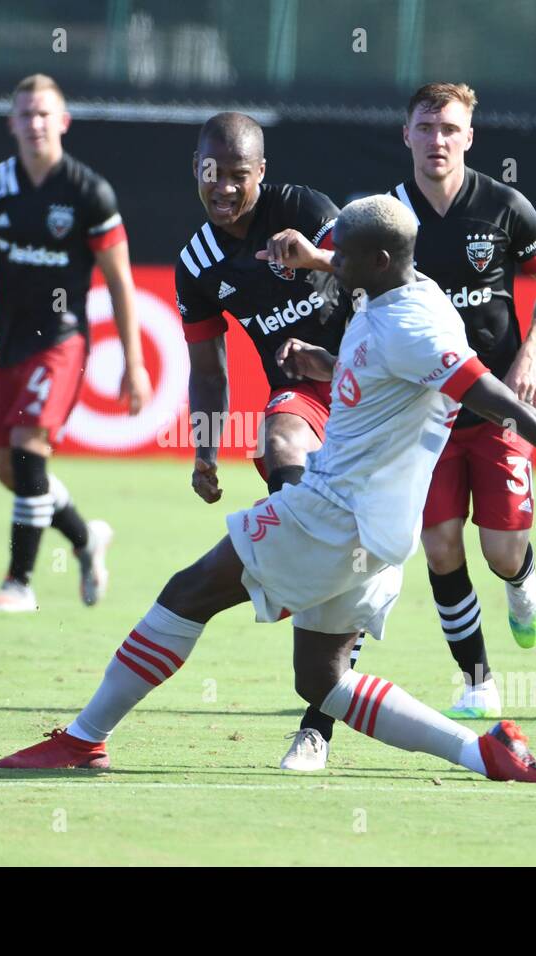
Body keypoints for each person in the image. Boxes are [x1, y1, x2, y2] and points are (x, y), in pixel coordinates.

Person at [0, 195, 536, 784]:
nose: (327, 261)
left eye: (337, 253)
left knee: (188, 591)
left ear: (374, 261)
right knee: (320, 680)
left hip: (333, 516)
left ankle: (84, 738)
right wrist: (329, 356)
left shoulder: (412, 326)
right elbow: (386, 368)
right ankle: (483, 753)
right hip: (379, 535)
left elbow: (507, 407)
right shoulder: (411, 292)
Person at [173, 111, 358, 769]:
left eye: (237, 176)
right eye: (210, 173)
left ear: (262, 174)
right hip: (305, 397)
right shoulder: (197, 260)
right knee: (279, 439)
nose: (222, 188)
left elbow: (374, 272)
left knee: (362, 567)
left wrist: (315, 257)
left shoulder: (307, 210)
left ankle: (317, 728)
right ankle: (297, 557)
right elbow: (207, 369)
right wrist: (203, 449)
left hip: (377, 392)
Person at [390, 82, 536, 719]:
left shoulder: (503, 206)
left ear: (469, 137)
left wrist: (533, 353)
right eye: (426, 127)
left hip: (496, 407)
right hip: (423, 415)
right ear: (405, 134)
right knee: (439, 546)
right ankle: (477, 682)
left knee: (500, 552)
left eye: (449, 129)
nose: (437, 140)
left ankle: (522, 581)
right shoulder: (388, 217)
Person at [0, 74, 152, 612]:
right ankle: (87, 539)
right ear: (11, 124)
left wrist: (133, 363)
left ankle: (18, 585)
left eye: (44, 114)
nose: (35, 123)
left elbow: (119, 282)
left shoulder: (89, 192)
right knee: (10, 468)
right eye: (25, 114)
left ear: (63, 122)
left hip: (61, 340)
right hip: (8, 343)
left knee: (27, 449)